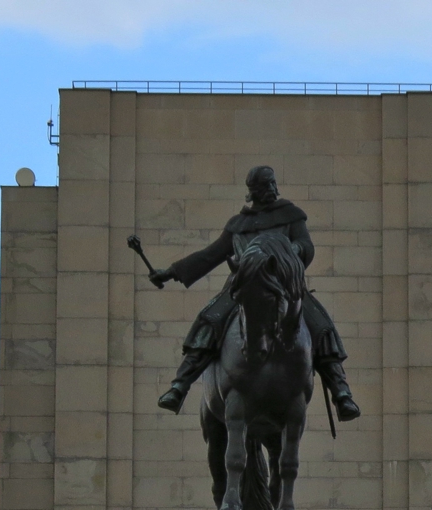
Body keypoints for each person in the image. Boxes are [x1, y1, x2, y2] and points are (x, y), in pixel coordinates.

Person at [150, 165, 360, 424]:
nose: (272, 190)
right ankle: (179, 386)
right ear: (254, 192)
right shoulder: (239, 225)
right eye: (265, 186)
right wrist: (170, 271)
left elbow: (306, 246)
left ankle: (341, 392)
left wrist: (291, 250)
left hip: (285, 286)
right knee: (209, 320)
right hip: (243, 288)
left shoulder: (291, 216)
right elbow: (210, 255)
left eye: (273, 184)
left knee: (321, 325)